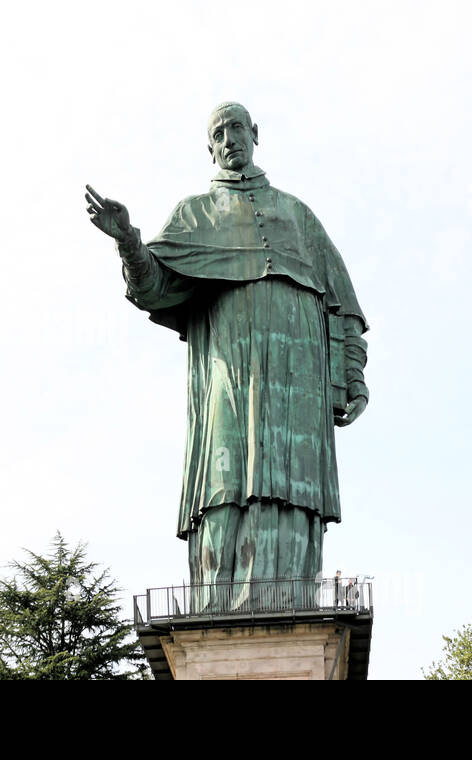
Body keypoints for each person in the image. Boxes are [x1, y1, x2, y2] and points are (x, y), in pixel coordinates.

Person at [86, 102, 369, 607]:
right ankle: (219, 603)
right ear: (209, 146)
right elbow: (152, 287)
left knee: (289, 481)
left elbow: (342, 305)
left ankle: (288, 599)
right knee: (226, 474)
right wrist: (129, 241)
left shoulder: (298, 215)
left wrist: (350, 377)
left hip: (298, 379)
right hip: (228, 372)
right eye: (218, 133)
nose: (228, 138)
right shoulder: (195, 214)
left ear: (255, 133)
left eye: (236, 127)